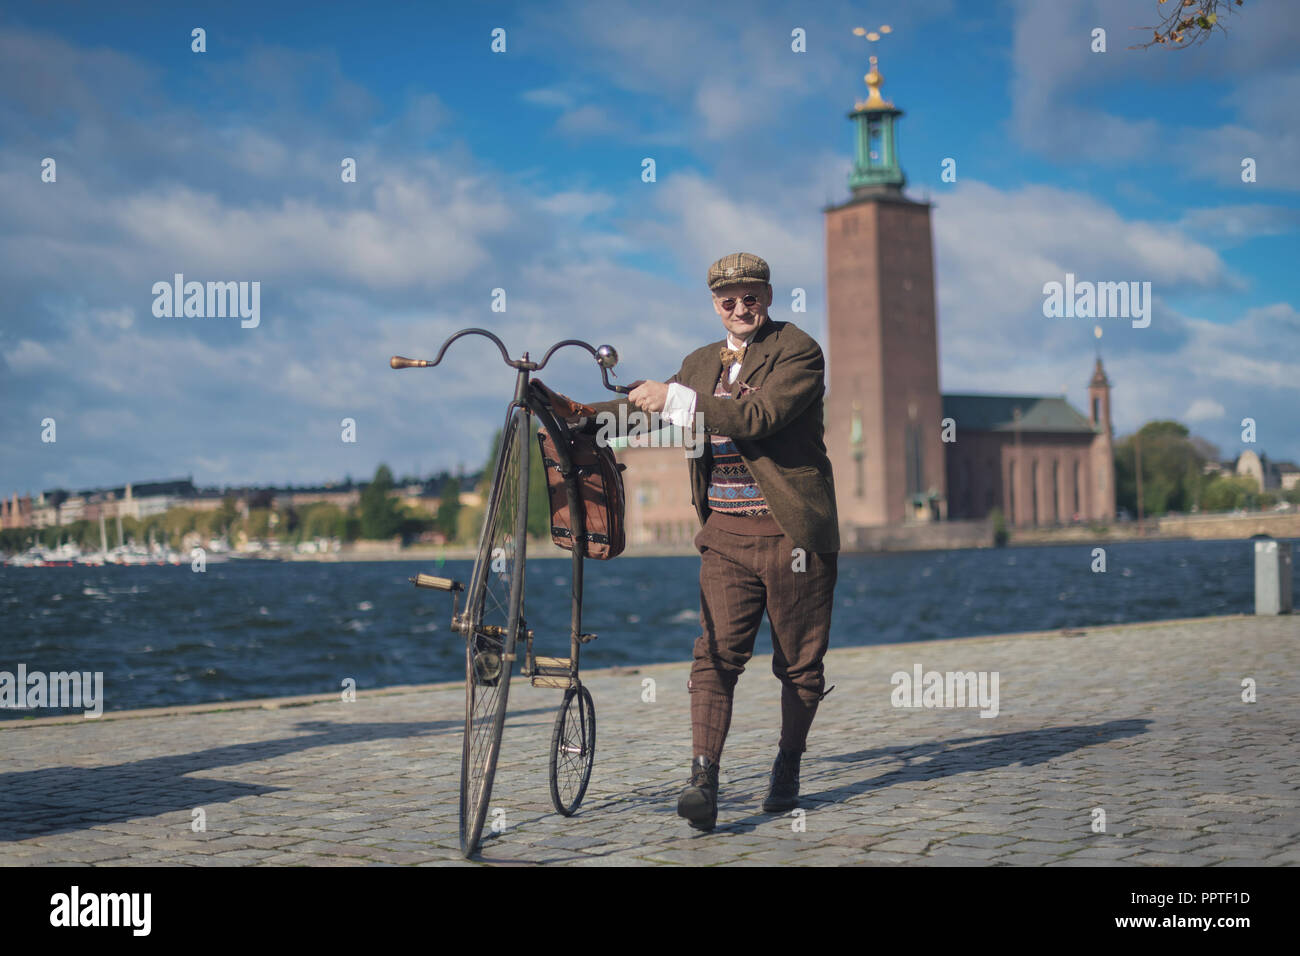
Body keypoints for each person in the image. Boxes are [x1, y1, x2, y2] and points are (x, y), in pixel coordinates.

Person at [583, 252, 839, 831]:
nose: (741, 307)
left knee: (799, 666)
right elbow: (643, 413)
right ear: (714, 304)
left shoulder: (798, 351)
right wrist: (569, 414)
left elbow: (758, 416)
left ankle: (788, 765)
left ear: (767, 298)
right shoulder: (699, 362)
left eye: (751, 296)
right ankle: (703, 779)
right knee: (715, 655)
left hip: (793, 535)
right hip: (724, 535)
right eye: (729, 299)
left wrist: (673, 399)